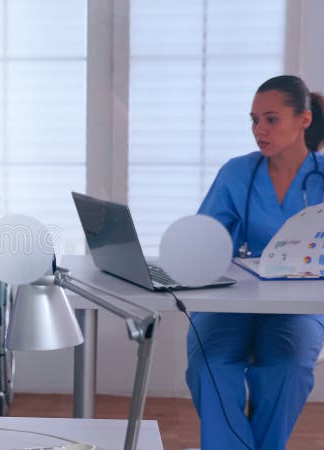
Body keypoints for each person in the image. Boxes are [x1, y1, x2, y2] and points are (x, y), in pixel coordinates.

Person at [187, 75, 324, 449]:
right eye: (253, 120)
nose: (259, 130)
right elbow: (206, 240)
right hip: (233, 301)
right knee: (210, 367)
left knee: (288, 369)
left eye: (271, 119)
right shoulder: (237, 173)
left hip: (298, 307)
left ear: (304, 120)